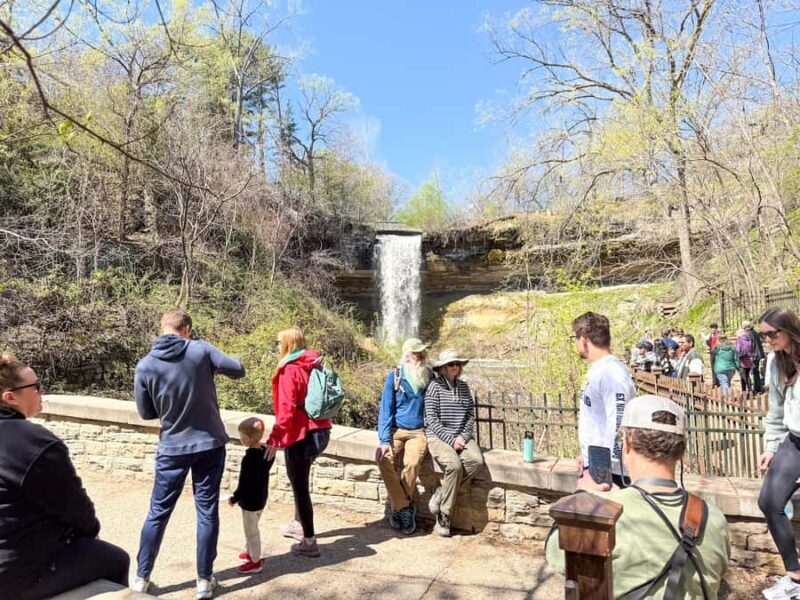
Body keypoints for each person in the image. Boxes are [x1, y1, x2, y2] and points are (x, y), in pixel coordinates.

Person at [546, 395, 730, 598]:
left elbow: (556, 554)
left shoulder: (604, 516)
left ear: (626, 445)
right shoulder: (715, 520)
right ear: (681, 452)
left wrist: (582, 497)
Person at [133, 310, 245, 599]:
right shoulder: (200, 350)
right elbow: (237, 369)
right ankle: (204, 581)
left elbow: (146, 413)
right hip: (209, 445)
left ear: (163, 329)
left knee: (158, 513)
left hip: (171, 447)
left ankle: (141, 579)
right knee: (206, 510)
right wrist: (210, 368)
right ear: (186, 329)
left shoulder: (145, 365)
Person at [0, 354, 129, 600]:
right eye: (35, 387)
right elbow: (74, 507)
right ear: (10, 398)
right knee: (115, 559)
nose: (42, 392)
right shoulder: (32, 442)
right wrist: (90, 533)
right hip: (14, 574)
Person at [264, 326, 332, 558]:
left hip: (302, 435)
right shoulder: (314, 363)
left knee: (300, 488)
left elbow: (286, 410)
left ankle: (309, 542)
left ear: (287, 344)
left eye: (278, 342)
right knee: (301, 481)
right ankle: (297, 524)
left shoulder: (290, 369)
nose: (277, 346)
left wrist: (274, 439)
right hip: (322, 430)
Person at [757, 308, 800, 599]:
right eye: (764, 335)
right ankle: (795, 576)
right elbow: (775, 409)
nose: (768, 340)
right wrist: (771, 447)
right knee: (769, 501)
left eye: (773, 334)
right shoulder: (775, 362)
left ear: (790, 330)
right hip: (795, 440)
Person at [424, 349, 485, 537]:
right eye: (451, 364)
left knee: (477, 461)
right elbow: (431, 419)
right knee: (454, 466)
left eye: (457, 364)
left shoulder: (464, 387)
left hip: (460, 436)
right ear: (443, 367)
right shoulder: (434, 387)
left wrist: (463, 437)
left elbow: (470, 416)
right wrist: (451, 440)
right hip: (438, 437)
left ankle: (442, 493)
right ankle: (444, 515)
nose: (455, 367)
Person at [376, 337, 432, 535]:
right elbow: (386, 409)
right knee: (383, 459)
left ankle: (399, 508)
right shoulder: (395, 377)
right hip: (396, 430)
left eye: (422, 353)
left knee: (412, 463)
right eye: (417, 354)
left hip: (418, 431)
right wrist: (384, 440)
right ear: (407, 356)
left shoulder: (429, 376)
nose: (421, 356)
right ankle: (405, 507)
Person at [572, 311, 635, 486]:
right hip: (596, 463)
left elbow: (618, 421)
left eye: (575, 338)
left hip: (610, 473)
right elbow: (595, 418)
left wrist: (604, 470)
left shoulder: (611, 373)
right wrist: (585, 454)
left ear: (584, 340)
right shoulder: (599, 370)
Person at [228, 417, 274, 575]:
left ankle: (255, 561)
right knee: (251, 527)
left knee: (251, 531)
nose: (241, 439)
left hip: (250, 502)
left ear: (247, 439)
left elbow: (244, 483)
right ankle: (249, 551)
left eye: (241, 436)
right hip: (261, 498)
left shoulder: (249, 459)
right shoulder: (266, 453)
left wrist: (234, 498)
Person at [711, 334, 740, 399]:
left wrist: (716, 343)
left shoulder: (717, 348)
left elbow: (712, 352)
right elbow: (736, 358)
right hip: (731, 368)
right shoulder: (732, 348)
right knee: (727, 382)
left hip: (720, 369)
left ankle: (727, 398)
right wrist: (738, 367)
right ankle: (729, 396)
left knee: (724, 382)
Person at [745, 320, 767, 393]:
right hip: (758, 354)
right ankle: (757, 387)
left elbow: (750, 346)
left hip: (754, 355)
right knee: (755, 371)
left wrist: (749, 355)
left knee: (755, 371)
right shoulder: (755, 332)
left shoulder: (748, 334)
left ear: (746, 327)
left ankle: (757, 388)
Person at [736, 327, 755, 392]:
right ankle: (750, 391)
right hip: (749, 360)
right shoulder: (749, 339)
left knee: (743, 377)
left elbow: (738, 350)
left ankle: (744, 392)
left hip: (742, 361)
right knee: (747, 376)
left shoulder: (739, 340)